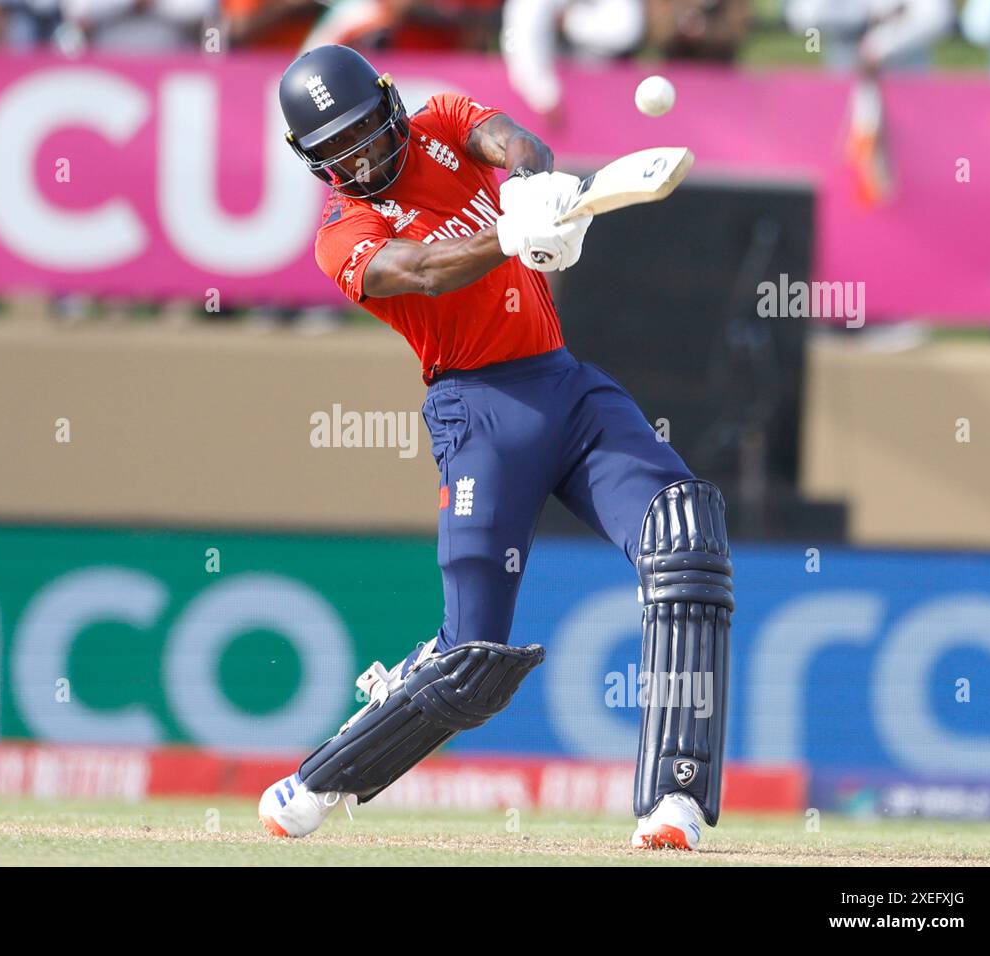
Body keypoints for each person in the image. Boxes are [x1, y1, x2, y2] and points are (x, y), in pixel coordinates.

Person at [258, 45, 734, 850]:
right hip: (477, 414)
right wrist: (513, 235)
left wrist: (531, 188)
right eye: (340, 152)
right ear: (315, 165)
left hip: (565, 385)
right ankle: (316, 780)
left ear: (390, 105)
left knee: (685, 540)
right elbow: (426, 269)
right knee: (472, 663)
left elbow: (520, 143)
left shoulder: (441, 120)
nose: (365, 157)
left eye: (370, 132)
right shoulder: (343, 234)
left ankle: (673, 799)